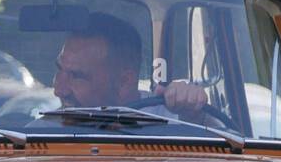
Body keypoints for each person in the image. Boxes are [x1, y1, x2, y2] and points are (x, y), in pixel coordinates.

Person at [51, 10, 211, 117]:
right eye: (59, 69)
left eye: (77, 76)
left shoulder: (174, 120)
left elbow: (223, 147)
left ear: (124, 81)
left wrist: (194, 110)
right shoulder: (41, 132)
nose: (59, 90)